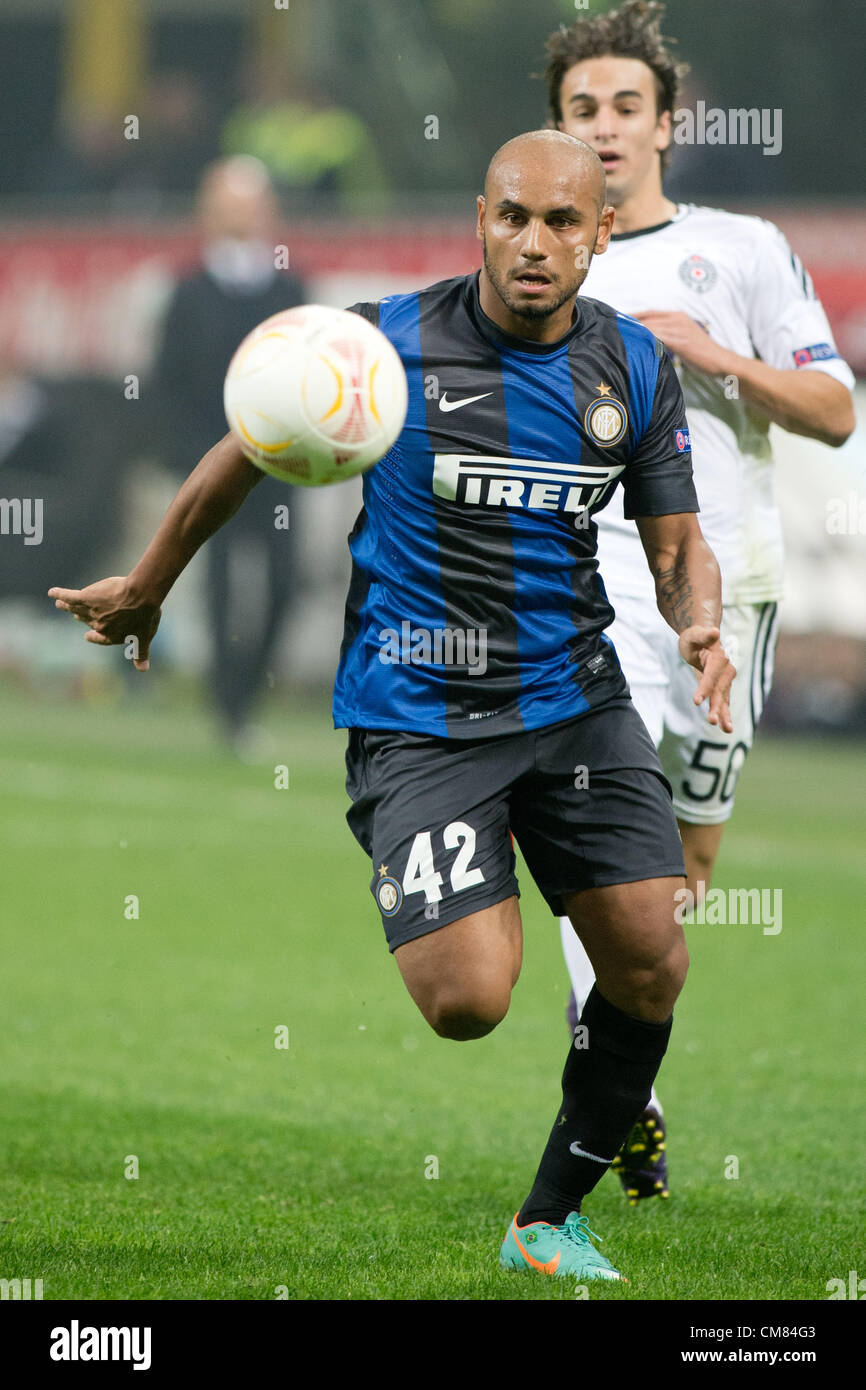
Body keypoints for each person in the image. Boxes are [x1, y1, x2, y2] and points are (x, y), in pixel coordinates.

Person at [49, 129, 736, 1283]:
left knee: (649, 960)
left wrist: (696, 619)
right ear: (479, 215)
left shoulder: (629, 366)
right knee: (467, 1000)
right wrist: (148, 585)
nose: (533, 242)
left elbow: (677, 545)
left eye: (561, 223)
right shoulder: (378, 342)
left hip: (572, 700)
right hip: (417, 712)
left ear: (598, 234)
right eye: (511, 215)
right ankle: (468, 849)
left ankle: (545, 1218)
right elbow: (242, 448)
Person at [541, 0, 856, 1203]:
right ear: (555, 124)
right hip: (594, 587)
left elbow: (834, 410)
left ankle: (620, 1051)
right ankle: (622, 1091)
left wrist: (711, 356)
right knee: (597, 833)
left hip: (733, 593)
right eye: (582, 110)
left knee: (683, 864)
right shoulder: (541, 254)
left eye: (627, 107)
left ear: (666, 122)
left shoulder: (742, 248)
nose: (606, 129)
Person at [153, 155, 307, 749]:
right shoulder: (189, 293)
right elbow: (167, 381)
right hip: (210, 465)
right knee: (218, 586)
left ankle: (245, 695)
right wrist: (187, 457)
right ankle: (226, 708)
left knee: (285, 582)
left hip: (281, 467)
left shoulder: (289, 286)